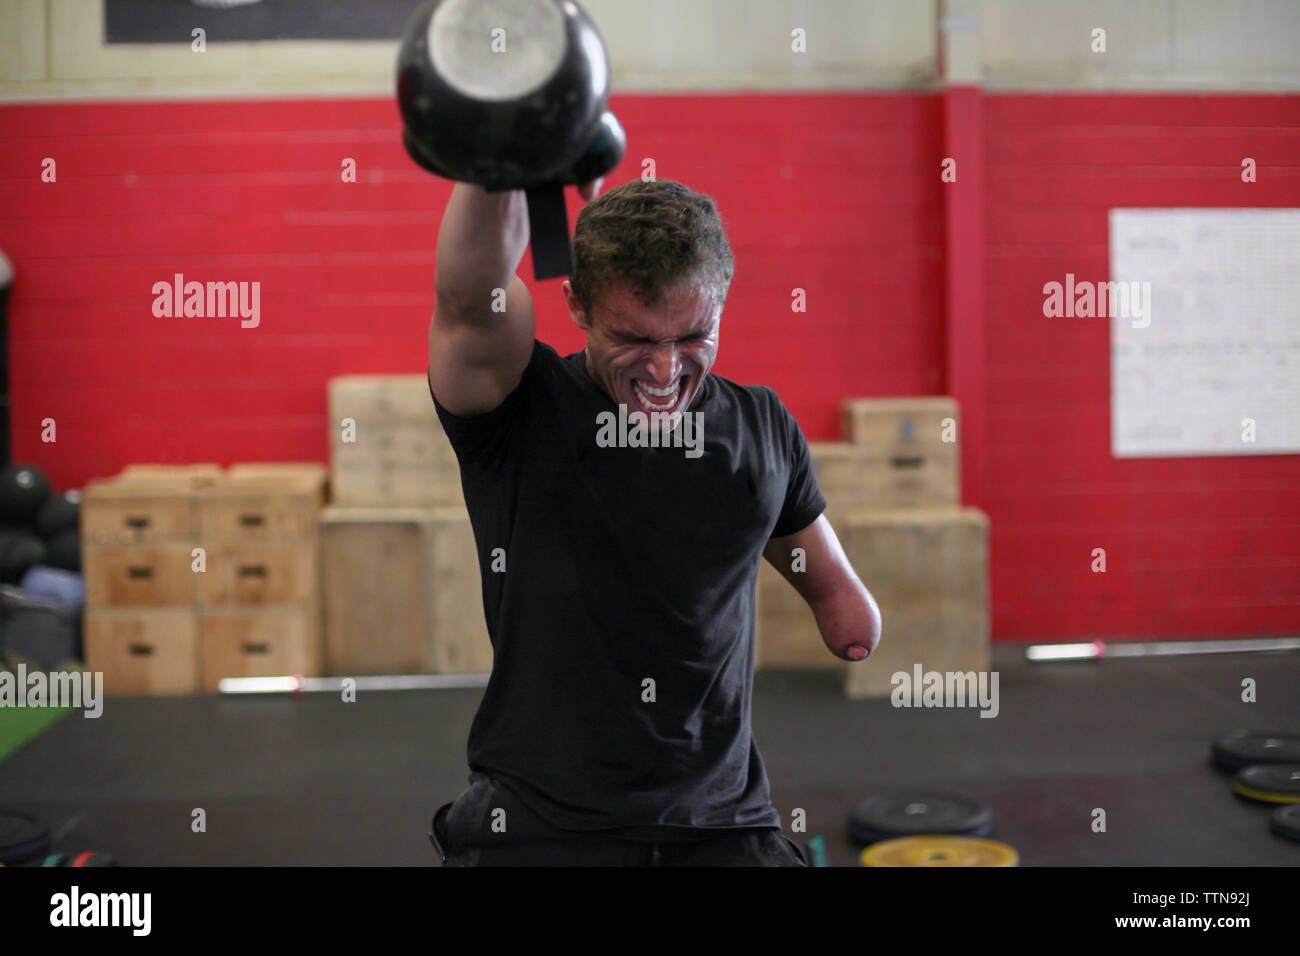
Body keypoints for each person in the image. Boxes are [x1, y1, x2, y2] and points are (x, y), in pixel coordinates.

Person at [426, 177, 881, 866]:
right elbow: (470, 296)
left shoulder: (762, 428)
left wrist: (845, 612)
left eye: (695, 334)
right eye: (635, 338)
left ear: (723, 306)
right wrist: (500, 154)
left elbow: (838, 601)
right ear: (575, 303)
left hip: (723, 823)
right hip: (543, 821)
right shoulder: (520, 411)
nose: (666, 370)